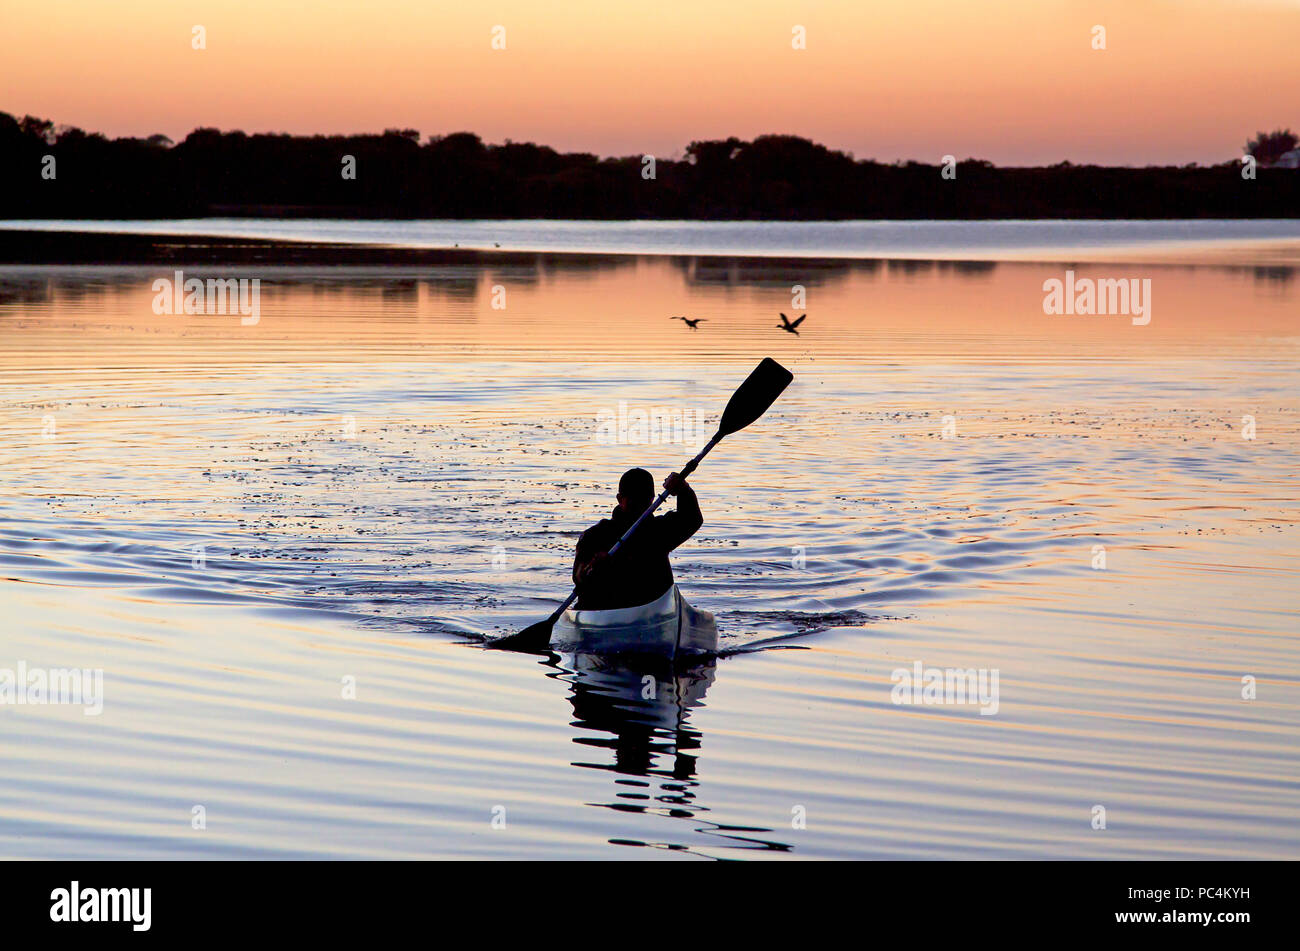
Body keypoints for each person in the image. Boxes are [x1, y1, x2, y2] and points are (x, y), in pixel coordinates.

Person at [572, 467, 702, 610]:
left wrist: (684, 491)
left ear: (652, 499)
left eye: (644, 500)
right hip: (607, 609)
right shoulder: (595, 535)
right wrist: (592, 567)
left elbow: (691, 519)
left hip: (651, 607)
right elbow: (579, 576)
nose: (639, 506)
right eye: (633, 500)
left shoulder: (659, 531)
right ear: (620, 499)